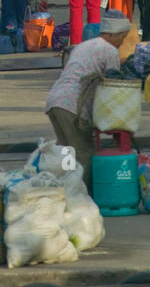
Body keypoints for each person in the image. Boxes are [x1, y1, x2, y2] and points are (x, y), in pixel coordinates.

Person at [45, 11, 134, 187]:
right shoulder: (109, 51)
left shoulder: (84, 45)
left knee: (67, 151)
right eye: (122, 37)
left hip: (55, 100)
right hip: (71, 105)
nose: (122, 42)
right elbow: (113, 87)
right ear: (113, 34)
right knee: (83, 152)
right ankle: (81, 196)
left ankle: (66, 189)